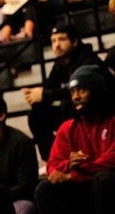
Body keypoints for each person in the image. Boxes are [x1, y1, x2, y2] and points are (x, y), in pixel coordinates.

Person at [34, 65, 115, 214]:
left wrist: (73, 173)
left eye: (82, 90)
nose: (76, 96)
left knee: (104, 179)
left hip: (107, 188)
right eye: (72, 92)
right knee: (44, 190)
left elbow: (111, 160)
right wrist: (68, 164)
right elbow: (53, 166)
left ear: (97, 91)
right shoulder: (67, 128)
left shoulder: (113, 121)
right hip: (82, 189)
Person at [23, 23, 103, 160]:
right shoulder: (61, 62)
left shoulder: (88, 59)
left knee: (68, 103)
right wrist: (35, 96)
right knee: (37, 114)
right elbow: (49, 87)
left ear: (75, 41)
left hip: (96, 112)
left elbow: (79, 90)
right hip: (74, 112)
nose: (57, 45)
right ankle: (53, 160)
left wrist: (44, 95)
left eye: (61, 39)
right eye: (53, 41)